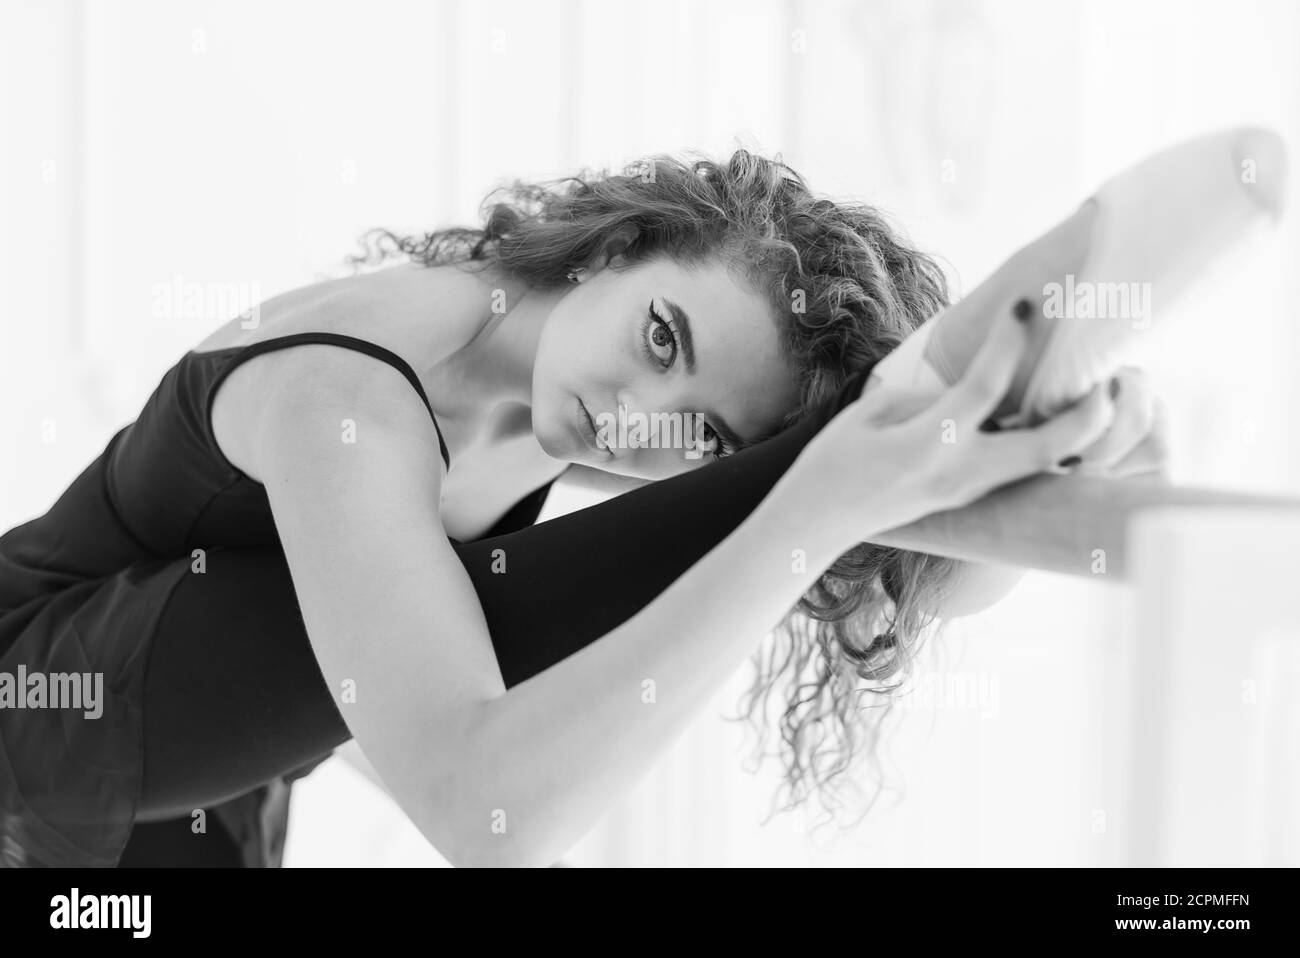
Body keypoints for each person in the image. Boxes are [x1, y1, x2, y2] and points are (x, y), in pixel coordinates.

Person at [0, 151, 1161, 867]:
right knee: (704, 542)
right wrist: (810, 505)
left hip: (188, 804)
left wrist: (1081, 479)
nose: (637, 420)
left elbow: (909, 586)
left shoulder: (550, 387)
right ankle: (874, 452)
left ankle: (901, 454)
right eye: (664, 337)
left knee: (709, 531)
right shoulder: (345, 398)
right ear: (620, 247)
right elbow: (486, 820)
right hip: (40, 697)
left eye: (703, 429)